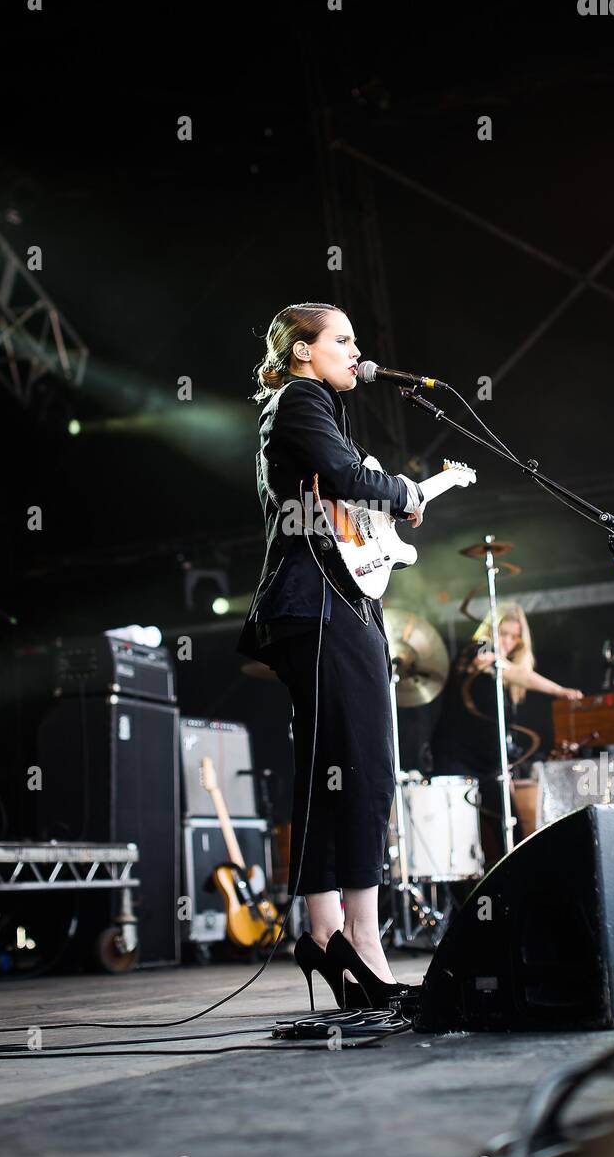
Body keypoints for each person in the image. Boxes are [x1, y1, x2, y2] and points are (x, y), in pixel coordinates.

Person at [237, 301, 426, 1010]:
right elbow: (346, 479)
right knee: (367, 763)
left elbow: (335, 497)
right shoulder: (301, 400)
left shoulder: (309, 405)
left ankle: (324, 932)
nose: (356, 351)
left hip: (323, 601)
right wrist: (405, 490)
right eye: (342, 340)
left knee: (331, 769)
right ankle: (363, 938)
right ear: (302, 353)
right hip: (316, 605)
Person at [430, 606, 583, 866]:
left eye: (515, 637)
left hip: (489, 764)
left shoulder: (507, 676)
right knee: (458, 840)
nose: (509, 642)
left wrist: (506, 764)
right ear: (492, 630)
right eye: (504, 634)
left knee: (511, 835)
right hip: (455, 757)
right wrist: (559, 690)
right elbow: (509, 670)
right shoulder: (477, 650)